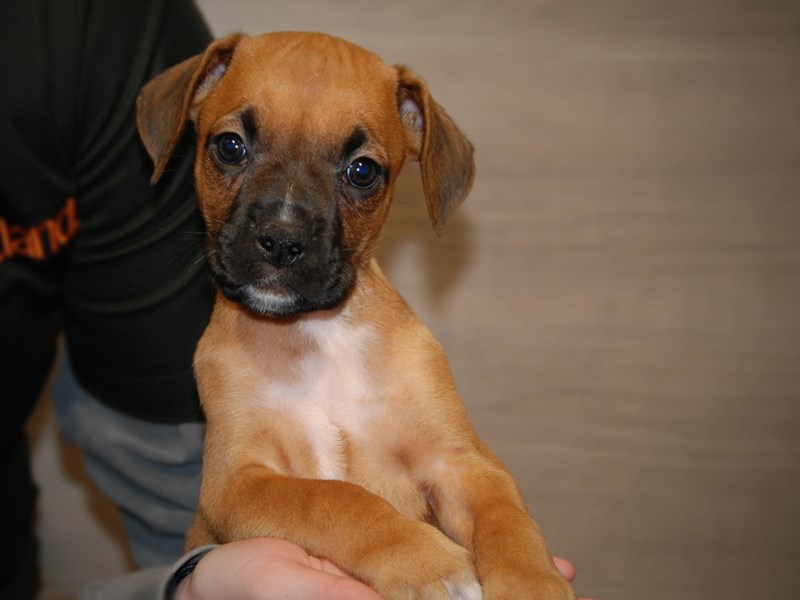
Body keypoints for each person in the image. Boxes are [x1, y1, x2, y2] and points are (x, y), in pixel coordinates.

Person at [1, 1, 588, 598]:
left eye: (359, 174)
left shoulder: (410, 351)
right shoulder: (223, 357)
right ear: (191, 114)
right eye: (233, 151)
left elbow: (470, 478)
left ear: (415, 149)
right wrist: (381, 538)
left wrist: (521, 568)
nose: (283, 227)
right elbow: (237, 496)